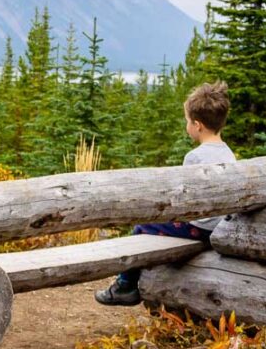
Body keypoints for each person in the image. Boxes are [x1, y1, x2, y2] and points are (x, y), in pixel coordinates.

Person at [94, 81, 235, 306]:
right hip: (219, 227)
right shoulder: (228, 154)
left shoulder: (195, 157)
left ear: (197, 125)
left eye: (187, 121)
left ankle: (125, 286)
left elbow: (184, 201)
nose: (186, 125)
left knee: (142, 229)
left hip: (199, 228)